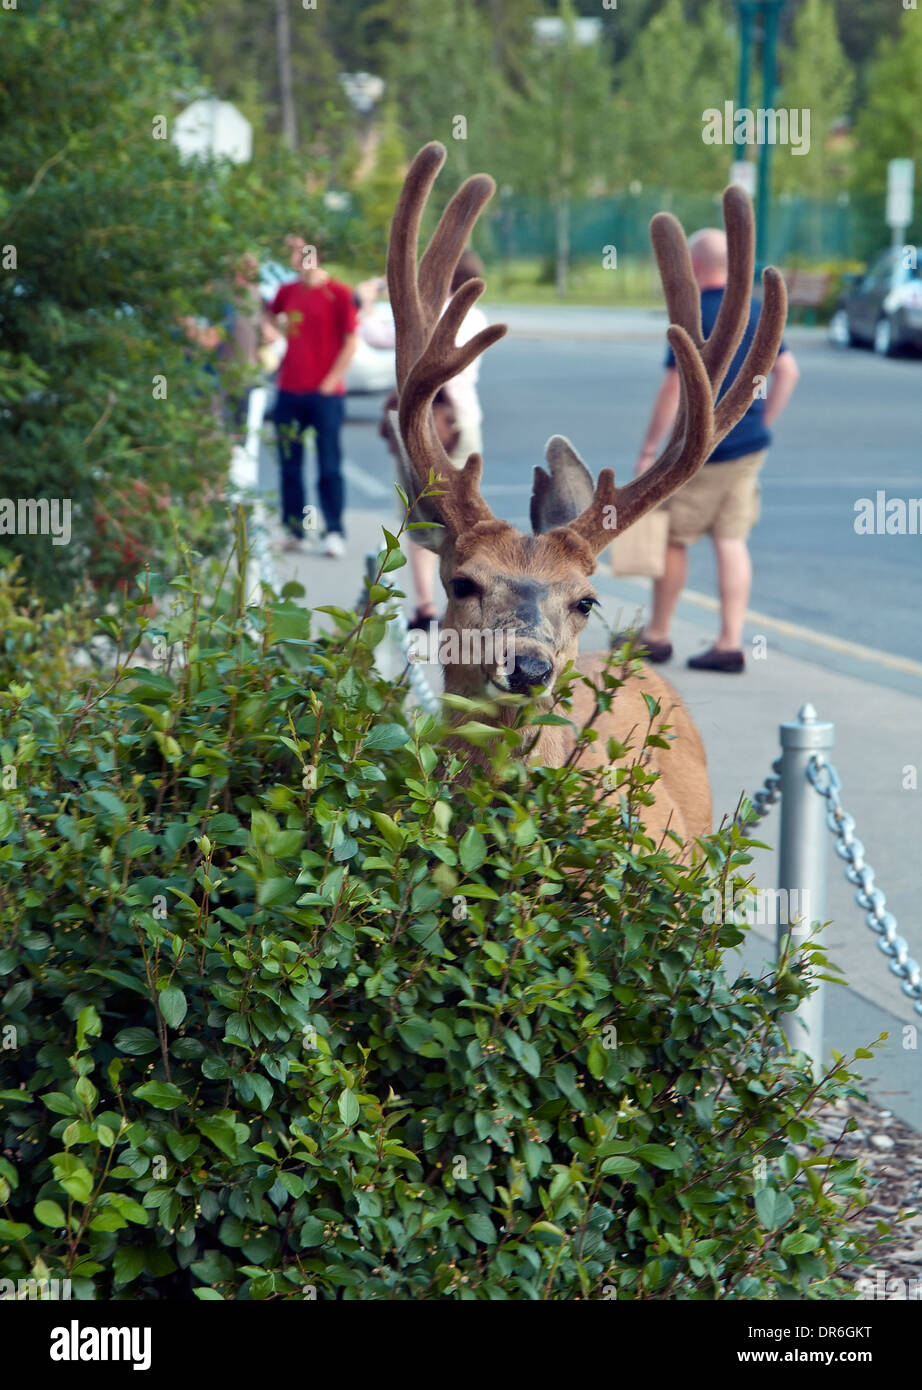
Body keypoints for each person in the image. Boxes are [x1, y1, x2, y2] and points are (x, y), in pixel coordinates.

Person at [632, 227, 800, 672]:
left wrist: (650, 448)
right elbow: (789, 371)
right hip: (747, 447)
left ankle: (659, 634)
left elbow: (674, 388)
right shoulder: (757, 311)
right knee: (731, 539)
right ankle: (729, 641)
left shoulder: (693, 316)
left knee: (672, 539)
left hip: (699, 450)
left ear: (697, 266)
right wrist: (762, 419)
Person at [357, 249, 489, 628]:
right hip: (463, 419)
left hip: (422, 428)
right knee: (465, 517)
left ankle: (426, 605)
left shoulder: (426, 316)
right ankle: (466, 603)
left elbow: (377, 337)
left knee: (419, 521)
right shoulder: (476, 316)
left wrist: (367, 305)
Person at [265, 235, 358, 557]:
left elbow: (350, 340)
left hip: (324, 394)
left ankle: (334, 530)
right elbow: (271, 316)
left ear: (316, 253)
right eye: (290, 252)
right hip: (290, 388)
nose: (297, 257)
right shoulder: (286, 292)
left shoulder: (339, 293)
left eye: (301, 250)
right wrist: (274, 331)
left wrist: (332, 380)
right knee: (290, 465)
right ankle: (296, 530)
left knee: (328, 464)